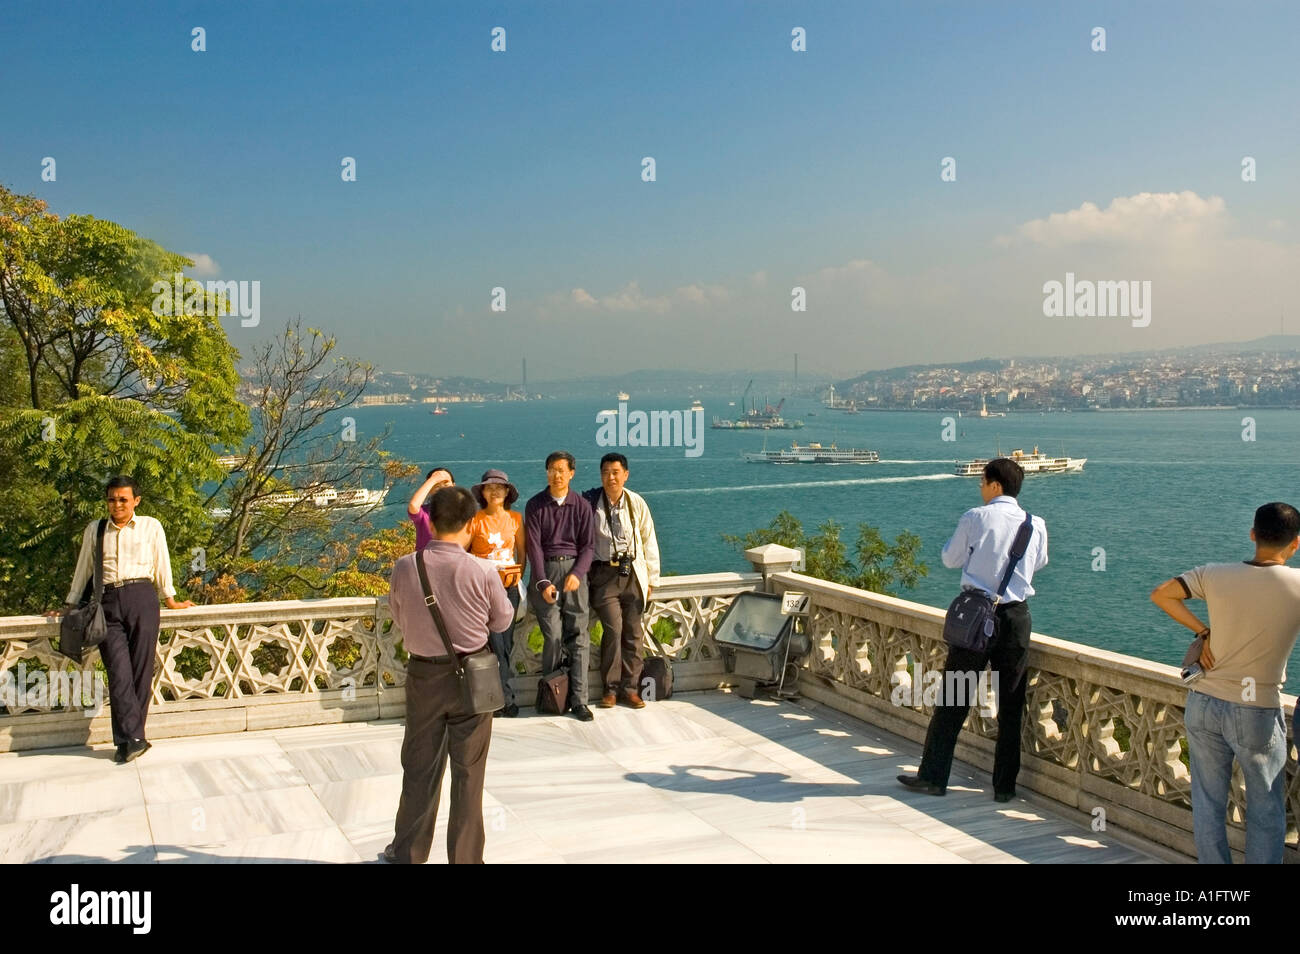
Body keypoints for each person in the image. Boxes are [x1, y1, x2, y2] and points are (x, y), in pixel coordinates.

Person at [1150, 502, 1300, 864]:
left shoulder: (1215, 574)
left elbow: (1161, 594)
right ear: (1295, 544)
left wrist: (1204, 631)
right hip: (1256, 710)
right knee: (1264, 808)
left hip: (1204, 702)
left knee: (1207, 802)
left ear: (1252, 535)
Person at [897, 457, 1048, 801]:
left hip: (978, 618)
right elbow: (1039, 562)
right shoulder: (1035, 524)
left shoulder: (975, 518)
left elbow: (950, 559)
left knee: (953, 699)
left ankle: (934, 777)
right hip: (1016, 618)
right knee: (1011, 705)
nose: (980, 488)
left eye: (982, 482)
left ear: (996, 485)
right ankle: (1004, 788)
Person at [385, 485, 512, 864]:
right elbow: (503, 619)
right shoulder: (482, 570)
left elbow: (397, 614)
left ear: (433, 520)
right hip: (473, 676)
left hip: (424, 675)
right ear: (471, 523)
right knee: (469, 775)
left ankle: (408, 852)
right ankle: (466, 859)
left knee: (419, 768)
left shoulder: (406, 566)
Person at [44, 476, 195, 763]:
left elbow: (162, 562)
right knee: (118, 672)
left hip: (142, 597)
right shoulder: (96, 529)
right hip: (107, 603)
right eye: (112, 499)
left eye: (123, 499)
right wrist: (70, 604)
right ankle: (135, 737)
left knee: (141, 669)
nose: (117, 505)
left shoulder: (151, 526)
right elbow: (84, 569)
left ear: (136, 501)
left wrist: (170, 598)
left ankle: (127, 740)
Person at [581, 453, 661, 709]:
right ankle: (610, 689)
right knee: (614, 632)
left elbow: (649, 539)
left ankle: (631, 689)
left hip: (633, 575)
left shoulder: (635, 502)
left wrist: (651, 579)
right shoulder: (591, 503)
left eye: (616, 472)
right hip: (604, 575)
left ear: (625, 474)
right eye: (605, 472)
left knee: (633, 635)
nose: (610, 477)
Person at [524, 451, 596, 721]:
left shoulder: (581, 506)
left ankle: (580, 701)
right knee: (553, 636)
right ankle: (554, 696)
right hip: (547, 572)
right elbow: (533, 547)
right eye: (552, 469)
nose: (557, 475)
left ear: (571, 473)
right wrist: (542, 581)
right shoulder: (535, 505)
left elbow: (588, 546)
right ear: (546, 473)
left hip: (575, 574)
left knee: (579, 638)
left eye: (561, 470)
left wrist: (578, 572)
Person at [468, 469, 526, 718]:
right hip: (484, 590)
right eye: (489, 487)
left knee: (508, 643)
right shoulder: (475, 520)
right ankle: (503, 699)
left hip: (509, 586)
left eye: (499, 487)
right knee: (494, 644)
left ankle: (499, 697)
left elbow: (522, 552)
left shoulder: (515, 519)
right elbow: (465, 553)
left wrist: (518, 575)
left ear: (507, 492)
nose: (494, 491)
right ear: (482, 492)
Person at [407, 467, 454, 551]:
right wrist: (433, 480)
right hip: (426, 562)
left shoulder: (462, 511)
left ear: (454, 486)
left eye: (446, 484)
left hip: (455, 562)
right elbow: (413, 506)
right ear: (429, 489)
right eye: (437, 486)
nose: (442, 488)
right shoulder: (424, 513)